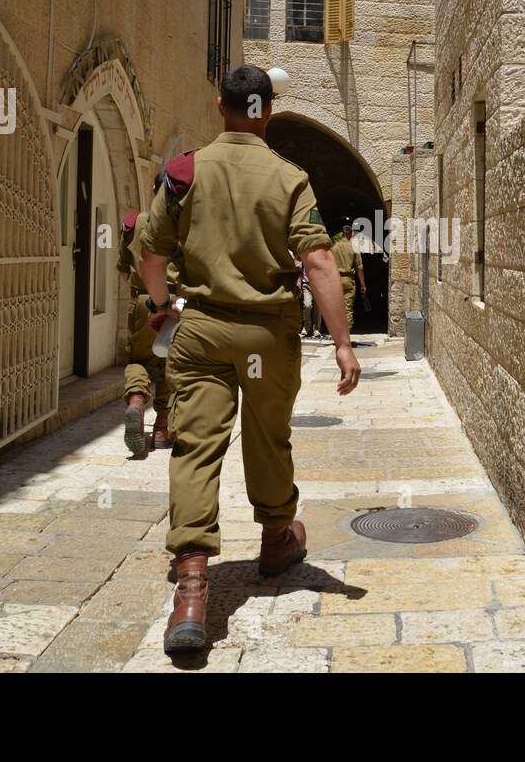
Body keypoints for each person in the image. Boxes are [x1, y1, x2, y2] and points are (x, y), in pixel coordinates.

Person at [139, 64, 361, 654]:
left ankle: (191, 587)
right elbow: (317, 262)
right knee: (268, 436)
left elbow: (151, 255)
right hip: (267, 336)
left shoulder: (185, 172)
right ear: (267, 111)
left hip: (203, 330)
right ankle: (275, 541)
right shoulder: (289, 178)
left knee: (195, 445)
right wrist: (341, 342)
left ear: (221, 106)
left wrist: (162, 308)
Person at [116, 204, 186, 457]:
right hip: (174, 302)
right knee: (170, 363)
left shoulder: (133, 223)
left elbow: (124, 271)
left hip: (141, 300)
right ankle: (161, 429)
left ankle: (136, 399)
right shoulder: (184, 222)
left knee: (139, 359)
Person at [329, 223, 366, 332]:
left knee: (336, 308)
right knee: (348, 309)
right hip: (348, 280)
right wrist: (363, 284)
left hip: (335, 280)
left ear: (342, 233)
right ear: (350, 234)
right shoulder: (354, 247)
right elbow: (359, 267)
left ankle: (336, 334)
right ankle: (346, 334)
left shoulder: (334, 246)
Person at [297, 255, 322, 339]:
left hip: (318, 285)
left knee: (318, 307)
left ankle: (316, 329)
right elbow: (299, 270)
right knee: (307, 305)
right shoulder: (304, 255)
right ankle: (306, 328)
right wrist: (299, 283)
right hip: (306, 285)